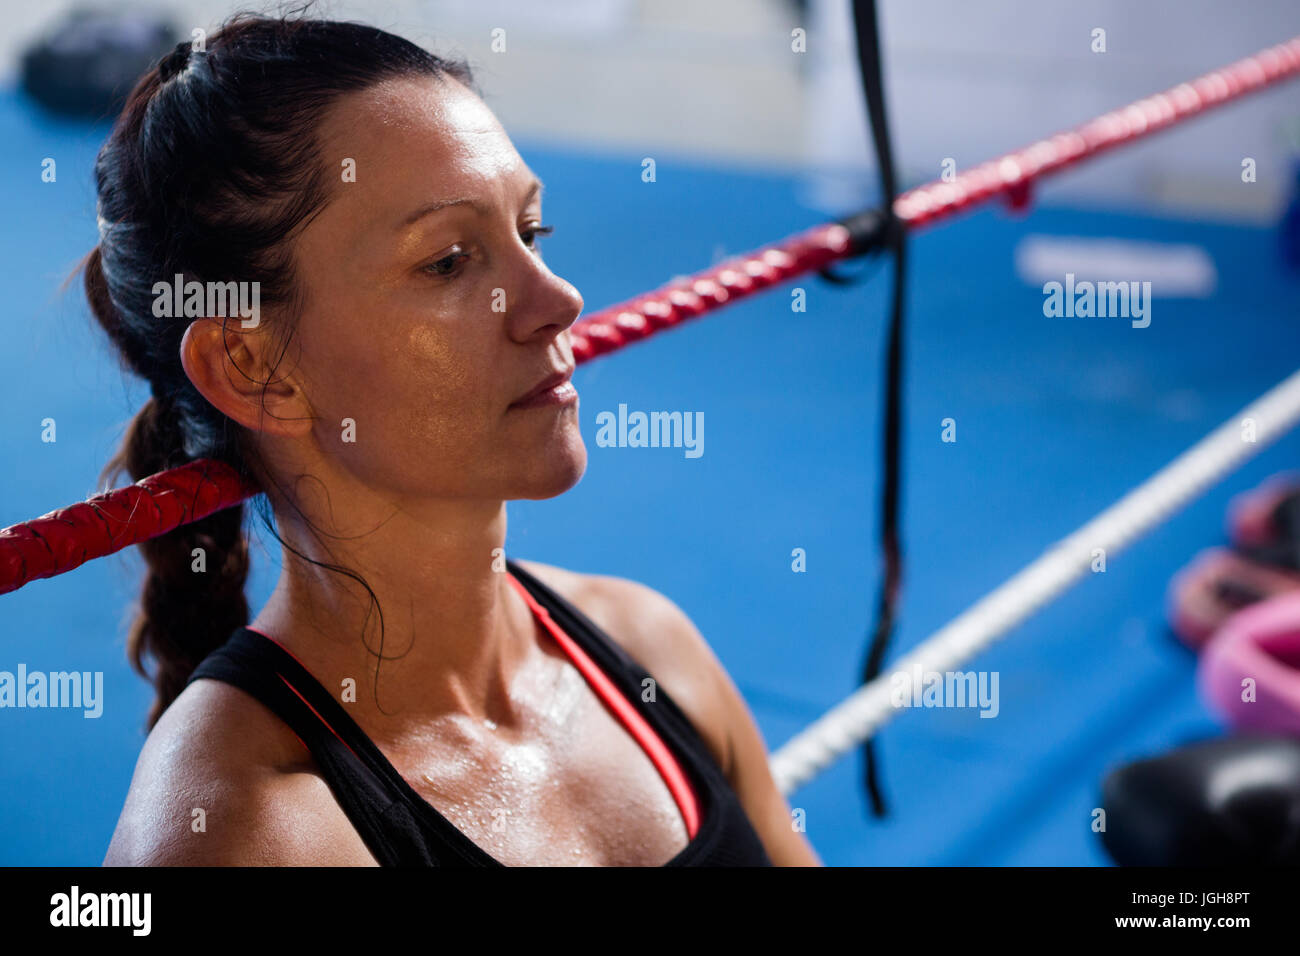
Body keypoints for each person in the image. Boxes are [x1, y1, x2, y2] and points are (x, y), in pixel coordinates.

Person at [92, 13, 819, 867]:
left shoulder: (649, 646)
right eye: (446, 262)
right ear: (257, 367)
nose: (560, 299)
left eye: (530, 231)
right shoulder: (252, 833)